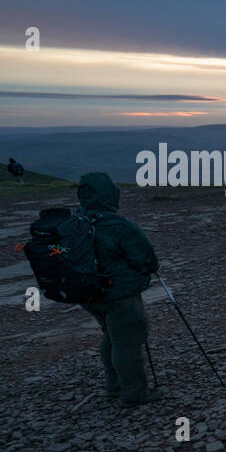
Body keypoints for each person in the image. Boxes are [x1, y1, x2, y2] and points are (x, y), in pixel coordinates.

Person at [76, 172, 161, 407]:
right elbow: (145, 259)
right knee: (128, 340)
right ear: (111, 194)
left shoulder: (73, 223)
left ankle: (114, 387)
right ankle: (134, 394)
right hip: (119, 294)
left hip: (86, 294)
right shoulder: (118, 225)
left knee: (112, 336)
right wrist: (146, 271)